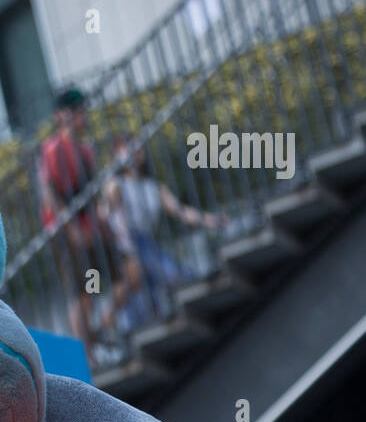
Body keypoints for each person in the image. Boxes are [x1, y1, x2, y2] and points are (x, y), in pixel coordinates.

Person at [101, 136, 227, 329]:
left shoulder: (154, 187)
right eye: (125, 148)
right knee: (155, 288)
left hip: (146, 243)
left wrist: (211, 220)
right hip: (127, 246)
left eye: (136, 147)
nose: (134, 151)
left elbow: (181, 211)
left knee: (153, 298)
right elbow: (105, 210)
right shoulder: (117, 184)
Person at [37, 87, 110, 354]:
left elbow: (95, 189)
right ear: (60, 116)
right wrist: (71, 229)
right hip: (64, 231)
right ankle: (87, 356)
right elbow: (50, 194)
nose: (81, 115)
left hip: (86, 228)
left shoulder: (85, 149)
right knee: (79, 294)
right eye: (74, 111)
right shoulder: (53, 149)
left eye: (82, 109)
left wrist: (100, 212)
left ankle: (93, 340)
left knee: (91, 289)